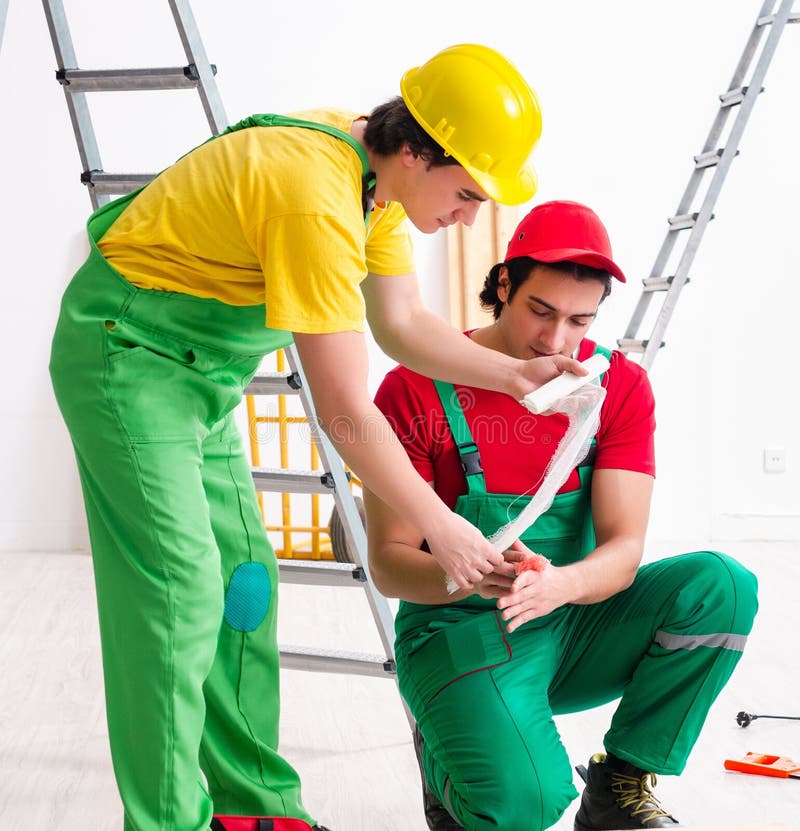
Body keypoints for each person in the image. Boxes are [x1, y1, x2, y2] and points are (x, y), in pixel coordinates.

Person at [48, 44, 583, 831]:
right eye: (468, 192)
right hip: (125, 357)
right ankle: (165, 821)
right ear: (416, 150)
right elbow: (342, 408)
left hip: (200, 380)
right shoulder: (312, 192)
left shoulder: (379, 189)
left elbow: (400, 323)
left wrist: (511, 376)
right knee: (178, 592)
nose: (472, 215)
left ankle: (254, 809)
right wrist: (442, 526)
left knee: (243, 585)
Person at [365, 200, 759, 831]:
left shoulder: (617, 385)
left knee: (721, 586)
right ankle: (448, 754)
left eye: (580, 320)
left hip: (570, 621)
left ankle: (620, 784)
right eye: (539, 312)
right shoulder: (415, 387)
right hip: (457, 632)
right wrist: (469, 574)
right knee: (524, 805)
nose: (555, 341)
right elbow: (388, 565)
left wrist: (563, 585)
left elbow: (625, 549)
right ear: (503, 285)